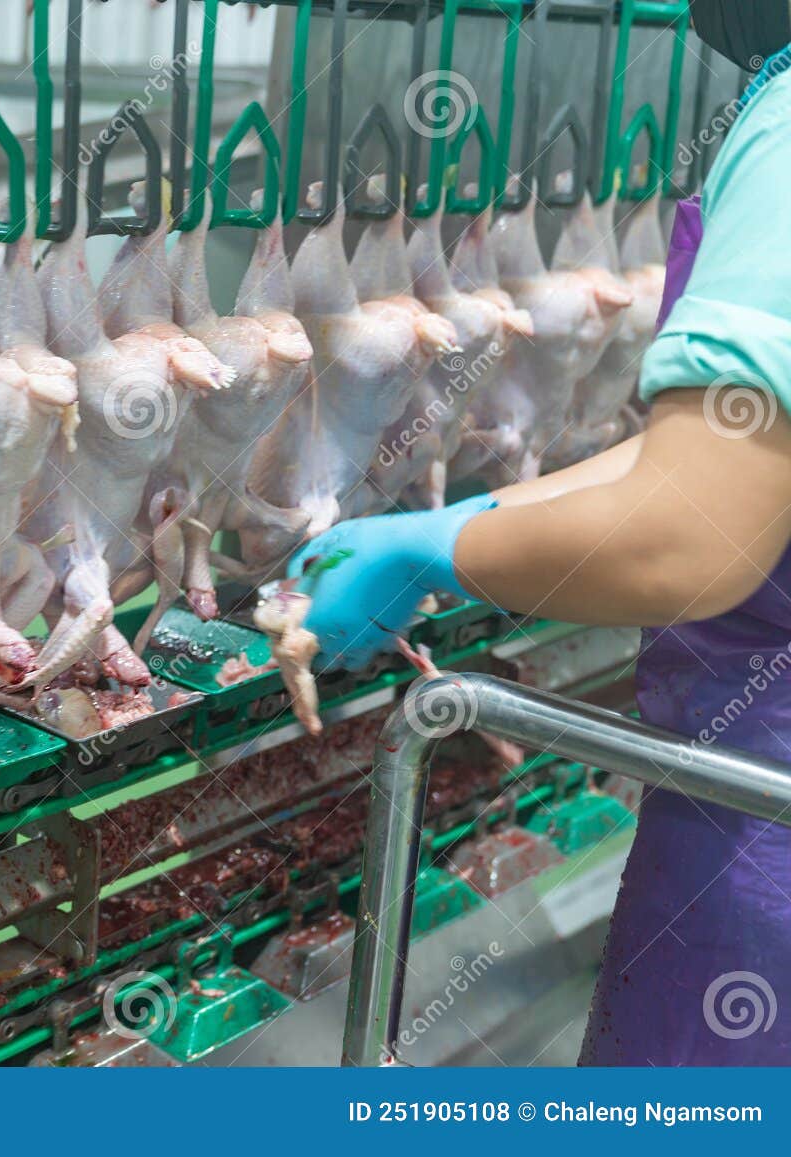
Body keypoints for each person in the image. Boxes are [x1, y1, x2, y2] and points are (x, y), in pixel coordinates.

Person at [292, 0, 791, 1065]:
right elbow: (734, 459)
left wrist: (438, 555)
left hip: (765, 847)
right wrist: (469, 518)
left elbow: (689, 534)